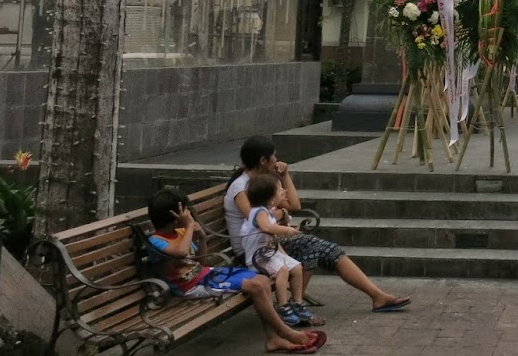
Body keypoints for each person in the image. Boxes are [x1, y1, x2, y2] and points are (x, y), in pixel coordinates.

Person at [225, 136, 411, 313]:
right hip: (252, 249)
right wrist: (281, 213)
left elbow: (294, 205)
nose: (277, 160)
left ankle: (377, 296)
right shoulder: (241, 187)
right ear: (263, 160)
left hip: (270, 242)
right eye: (274, 156)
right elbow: (257, 220)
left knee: (329, 250)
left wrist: (284, 177)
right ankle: (295, 305)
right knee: (314, 248)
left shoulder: (261, 182)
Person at [146, 188, 326, 354]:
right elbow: (181, 253)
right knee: (255, 286)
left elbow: (200, 262)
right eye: (185, 210)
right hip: (190, 287)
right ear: (175, 215)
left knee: (262, 280)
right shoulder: (156, 241)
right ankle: (286, 332)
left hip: (205, 275)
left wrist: (201, 238)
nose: (189, 214)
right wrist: (189, 228)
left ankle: (273, 339)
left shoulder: (179, 232)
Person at [240, 175, 314, 328]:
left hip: (269, 253)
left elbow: (272, 238)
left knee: (296, 267)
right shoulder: (259, 212)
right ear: (271, 199)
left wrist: (285, 256)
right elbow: (267, 228)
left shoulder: (267, 211)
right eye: (280, 190)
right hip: (257, 258)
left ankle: (297, 303)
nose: (283, 191)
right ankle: (283, 306)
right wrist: (287, 230)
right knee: (283, 270)